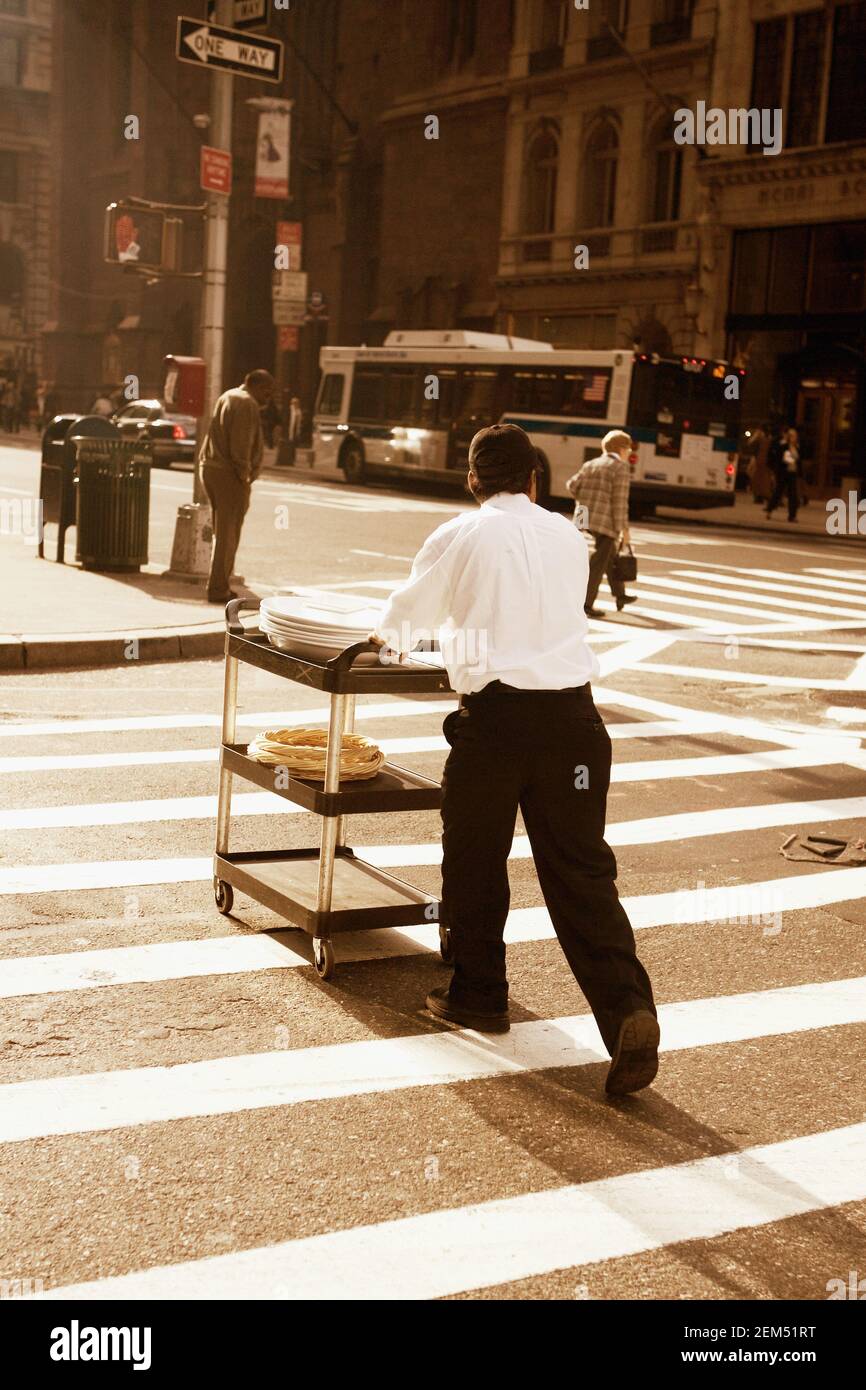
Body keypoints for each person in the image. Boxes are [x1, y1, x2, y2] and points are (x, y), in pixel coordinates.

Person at [370, 423, 659, 1096]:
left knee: (474, 859)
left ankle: (480, 992)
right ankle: (628, 1012)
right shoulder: (568, 536)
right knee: (583, 877)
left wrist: (400, 640)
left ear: (473, 480)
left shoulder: (461, 533)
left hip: (497, 723)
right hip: (576, 724)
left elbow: (401, 627)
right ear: (535, 478)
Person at [198, 369, 274, 605]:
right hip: (228, 474)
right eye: (267, 391)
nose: (269, 397)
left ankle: (218, 584)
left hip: (211, 468)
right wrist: (245, 476)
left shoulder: (228, 395)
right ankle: (219, 588)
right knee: (228, 535)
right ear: (257, 386)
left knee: (222, 532)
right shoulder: (246, 403)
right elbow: (241, 445)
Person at [567, 429, 637, 618]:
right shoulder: (620, 467)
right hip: (605, 521)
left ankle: (620, 595)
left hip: (585, 517)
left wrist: (587, 501)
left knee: (608, 556)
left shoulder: (591, 464)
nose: (629, 452)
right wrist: (625, 531)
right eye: (628, 449)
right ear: (621, 449)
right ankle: (586, 604)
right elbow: (620, 501)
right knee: (598, 562)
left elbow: (572, 485)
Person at [765, 426, 801, 522]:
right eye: (792, 435)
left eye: (795, 435)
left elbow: (798, 460)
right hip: (783, 473)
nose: (794, 437)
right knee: (778, 492)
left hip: (792, 473)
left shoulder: (797, 447)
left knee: (793, 495)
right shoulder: (783, 446)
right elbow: (782, 459)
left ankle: (792, 516)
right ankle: (769, 510)